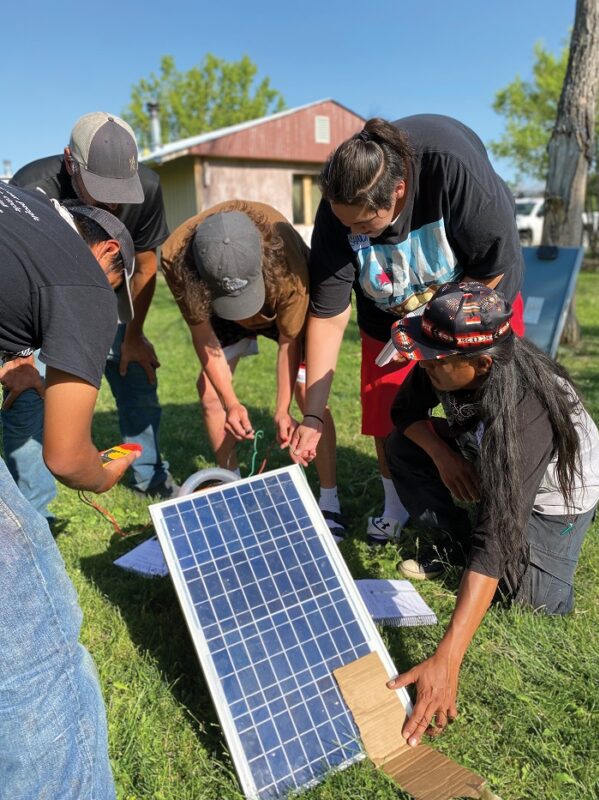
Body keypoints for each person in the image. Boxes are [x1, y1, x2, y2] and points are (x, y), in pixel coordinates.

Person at [289, 114, 525, 544]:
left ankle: (502, 509)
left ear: (398, 191)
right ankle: (399, 504)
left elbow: (494, 267)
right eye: (346, 225)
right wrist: (312, 414)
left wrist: (431, 334)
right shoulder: (338, 212)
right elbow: (328, 313)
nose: (353, 233)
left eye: (363, 226)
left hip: (476, 299)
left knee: (494, 403)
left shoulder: (451, 167)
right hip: (389, 311)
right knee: (386, 408)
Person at [383, 282, 599, 747]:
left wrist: (448, 657)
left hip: (554, 501)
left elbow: (499, 532)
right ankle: (449, 539)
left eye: (437, 362)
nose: (425, 365)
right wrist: (445, 457)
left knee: (531, 602)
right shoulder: (444, 357)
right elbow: (404, 412)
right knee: (405, 447)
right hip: (489, 454)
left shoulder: (527, 410)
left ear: (483, 364)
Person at [0, 184, 142, 799]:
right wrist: (103, 471)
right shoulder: (83, 281)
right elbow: (67, 456)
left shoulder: (20, 207)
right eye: (118, 283)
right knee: (40, 647)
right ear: (106, 252)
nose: (111, 298)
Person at [7, 112, 174, 522]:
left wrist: (133, 334)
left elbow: (148, 264)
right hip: (41, 305)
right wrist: (21, 358)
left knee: (135, 371)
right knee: (28, 397)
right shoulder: (33, 185)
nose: (112, 202)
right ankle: (34, 517)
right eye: (100, 188)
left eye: (121, 191)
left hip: (98, 288)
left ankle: (148, 475)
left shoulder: (148, 188)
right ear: (70, 161)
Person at [161, 200, 344, 536]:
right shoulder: (176, 257)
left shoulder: (287, 260)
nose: (245, 317)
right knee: (210, 393)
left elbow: (289, 340)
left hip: (280, 295)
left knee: (307, 392)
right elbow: (203, 336)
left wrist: (281, 408)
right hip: (213, 294)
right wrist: (231, 404)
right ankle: (232, 491)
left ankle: (330, 500)